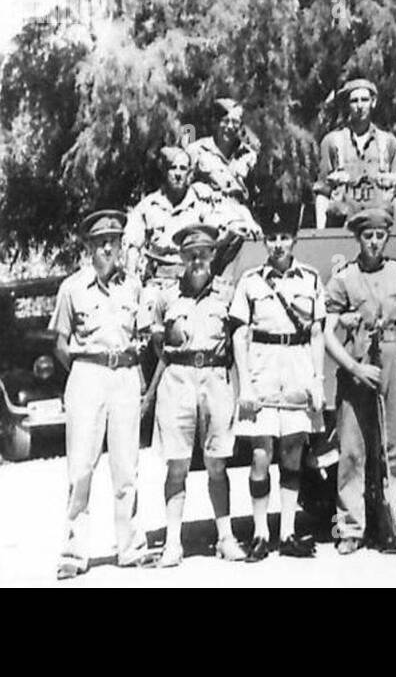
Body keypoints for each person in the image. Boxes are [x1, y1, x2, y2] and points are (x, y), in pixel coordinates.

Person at [49, 210, 152, 579]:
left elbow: (141, 338)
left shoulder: (134, 287)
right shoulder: (72, 288)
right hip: (87, 374)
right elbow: (60, 343)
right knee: (81, 467)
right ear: (89, 248)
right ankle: (74, 552)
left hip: (124, 373)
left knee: (126, 467)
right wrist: (83, 371)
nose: (109, 248)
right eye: (101, 242)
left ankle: (130, 547)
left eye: (115, 240)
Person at [322, 208, 396, 554]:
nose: (374, 242)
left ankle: (394, 523)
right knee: (353, 450)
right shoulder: (343, 278)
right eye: (368, 236)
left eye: (380, 235)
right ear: (358, 239)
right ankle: (351, 527)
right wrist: (353, 366)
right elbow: (327, 333)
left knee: (395, 448)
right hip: (358, 368)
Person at [228, 206, 326, 559]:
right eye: (272, 238)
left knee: (292, 453)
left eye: (284, 237)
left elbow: (316, 333)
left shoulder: (311, 279)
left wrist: (318, 381)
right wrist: (245, 387)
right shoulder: (251, 281)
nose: (278, 244)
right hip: (263, 372)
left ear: (295, 239)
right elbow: (239, 335)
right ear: (266, 242)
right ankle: (259, 533)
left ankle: (287, 533)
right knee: (259, 454)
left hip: (298, 369)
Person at [146, 224, 246, 567]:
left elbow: (238, 342)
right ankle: (173, 543)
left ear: (212, 256)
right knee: (177, 464)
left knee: (218, 462)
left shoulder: (227, 295)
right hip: (178, 379)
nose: (197, 261)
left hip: (216, 379)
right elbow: (158, 346)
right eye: (191, 256)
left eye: (204, 254)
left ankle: (225, 537)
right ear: (182, 259)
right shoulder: (166, 298)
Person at [313, 79, 396, 228]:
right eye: (354, 101)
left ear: (373, 102)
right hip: (341, 225)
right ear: (348, 105)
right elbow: (322, 192)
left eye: (365, 100)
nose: (360, 106)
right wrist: (321, 235)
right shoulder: (332, 141)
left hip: (378, 229)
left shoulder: (388, 142)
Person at [123, 146, 211, 282]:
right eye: (173, 167)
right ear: (164, 171)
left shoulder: (201, 203)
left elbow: (217, 236)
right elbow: (132, 246)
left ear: (189, 173)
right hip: (157, 280)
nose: (178, 173)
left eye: (183, 169)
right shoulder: (148, 205)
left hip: (192, 280)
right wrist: (131, 280)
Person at [188, 98, 260, 200]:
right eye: (225, 121)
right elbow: (181, 187)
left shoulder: (249, 156)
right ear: (215, 123)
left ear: (241, 126)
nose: (230, 127)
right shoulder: (197, 150)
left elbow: (255, 195)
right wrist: (196, 188)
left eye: (235, 122)